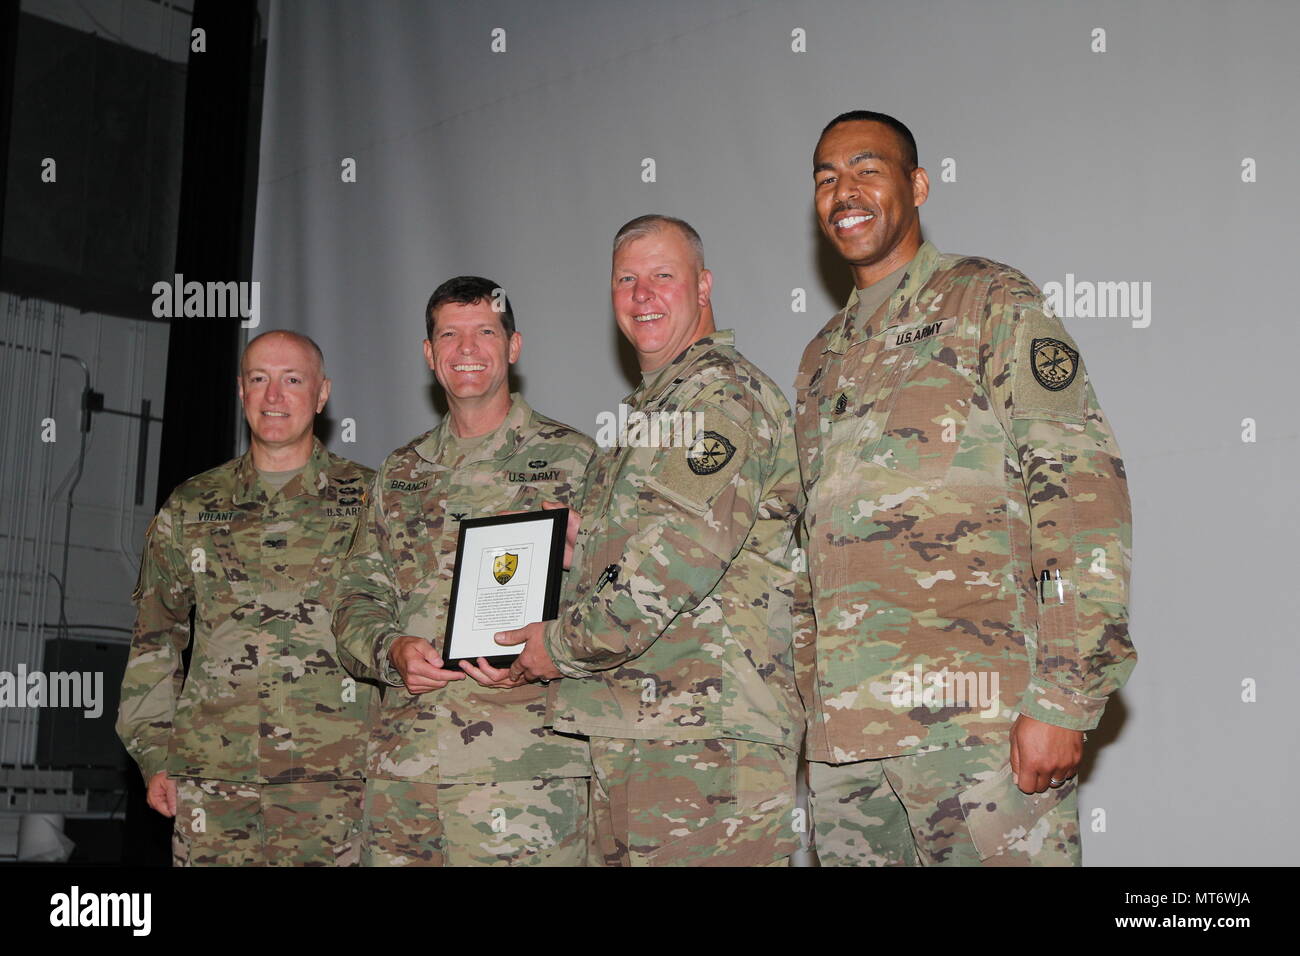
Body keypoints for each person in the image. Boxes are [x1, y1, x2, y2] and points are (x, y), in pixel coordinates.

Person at [794, 110, 1135, 866]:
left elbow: (1079, 491)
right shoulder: (821, 358)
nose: (843, 190)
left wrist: (1066, 694)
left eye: (866, 169)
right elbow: (808, 551)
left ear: (916, 186)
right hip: (848, 752)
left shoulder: (989, 300)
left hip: (976, 727)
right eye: (825, 177)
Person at [498, 216, 804, 866]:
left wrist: (557, 644)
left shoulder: (721, 398)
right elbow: (652, 557)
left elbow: (673, 565)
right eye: (626, 280)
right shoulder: (645, 421)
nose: (643, 295)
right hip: (639, 727)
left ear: (703, 285)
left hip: (705, 741)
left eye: (662, 276)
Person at [331, 276, 596, 866]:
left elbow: (614, 594)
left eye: (485, 332)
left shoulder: (574, 460)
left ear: (514, 346)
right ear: (429, 354)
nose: (467, 349)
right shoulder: (399, 472)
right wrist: (390, 649)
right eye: (449, 335)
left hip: (525, 774)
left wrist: (546, 650)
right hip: (404, 774)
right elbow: (354, 597)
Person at [117, 330, 374, 866]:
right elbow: (154, 641)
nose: (274, 396)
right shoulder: (191, 505)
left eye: (292, 380)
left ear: (322, 395)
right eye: (259, 379)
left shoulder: (373, 500)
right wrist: (156, 754)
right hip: (213, 785)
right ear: (241, 392)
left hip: (336, 785)